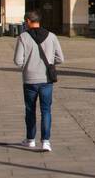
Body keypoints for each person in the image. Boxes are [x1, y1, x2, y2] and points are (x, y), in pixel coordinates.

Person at [13, 10, 64, 150]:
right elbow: (61, 58)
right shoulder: (52, 36)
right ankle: (46, 141)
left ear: (29, 21)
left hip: (30, 79)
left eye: (25, 21)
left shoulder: (23, 37)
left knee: (30, 110)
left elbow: (17, 61)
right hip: (46, 79)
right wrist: (49, 62)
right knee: (46, 110)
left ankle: (30, 139)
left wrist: (28, 65)